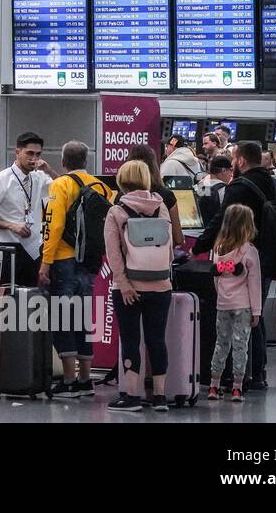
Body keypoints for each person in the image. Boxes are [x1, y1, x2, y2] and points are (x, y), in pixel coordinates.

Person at [195, 140, 276, 391]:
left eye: (234, 158)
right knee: (256, 315)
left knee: (235, 325)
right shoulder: (273, 183)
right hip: (266, 257)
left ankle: (235, 377)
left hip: (241, 260)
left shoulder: (239, 187)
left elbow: (221, 219)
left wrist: (198, 246)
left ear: (241, 160)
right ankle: (258, 372)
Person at [39, 140, 113, 399]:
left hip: (64, 259)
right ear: (86, 161)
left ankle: (69, 380)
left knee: (63, 317)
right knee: (82, 318)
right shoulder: (101, 187)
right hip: (90, 261)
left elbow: (54, 226)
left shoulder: (59, 185)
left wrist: (46, 261)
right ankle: (85, 379)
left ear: (63, 162)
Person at [104, 159, 174, 413]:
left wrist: (123, 283)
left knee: (131, 339)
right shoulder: (161, 207)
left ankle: (131, 395)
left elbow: (113, 254)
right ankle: (160, 396)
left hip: (128, 288)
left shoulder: (116, 211)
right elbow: (169, 249)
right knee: (157, 339)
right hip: (161, 285)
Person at [0, 132, 53, 287]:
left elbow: (62, 188)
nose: (34, 158)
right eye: (30, 153)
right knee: (8, 295)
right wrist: (11, 225)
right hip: (8, 246)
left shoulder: (39, 177)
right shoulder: (1, 180)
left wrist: (49, 170)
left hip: (33, 247)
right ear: (18, 152)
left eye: (38, 154)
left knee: (31, 294)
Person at [207, 204, 263, 402]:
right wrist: (256, 311)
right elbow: (254, 284)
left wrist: (222, 295)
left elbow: (216, 279)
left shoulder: (218, 249)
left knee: (221, 344)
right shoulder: (250, 251)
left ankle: (213, 385)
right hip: (243, 306)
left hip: (223, 304)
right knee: (240, 346)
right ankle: (237, 387)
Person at [129, 144, 186, 253]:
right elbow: (178, 238)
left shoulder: (123, 197)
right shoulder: (166, 195)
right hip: (160, 258)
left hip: (131, 258)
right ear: (153, 165)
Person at [196, 155, 233, 226]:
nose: (231, 174)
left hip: (199, 228)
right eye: (231, 170)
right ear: (224, 170)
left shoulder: (199, 186)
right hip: (215, 229)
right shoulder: (224, 190)